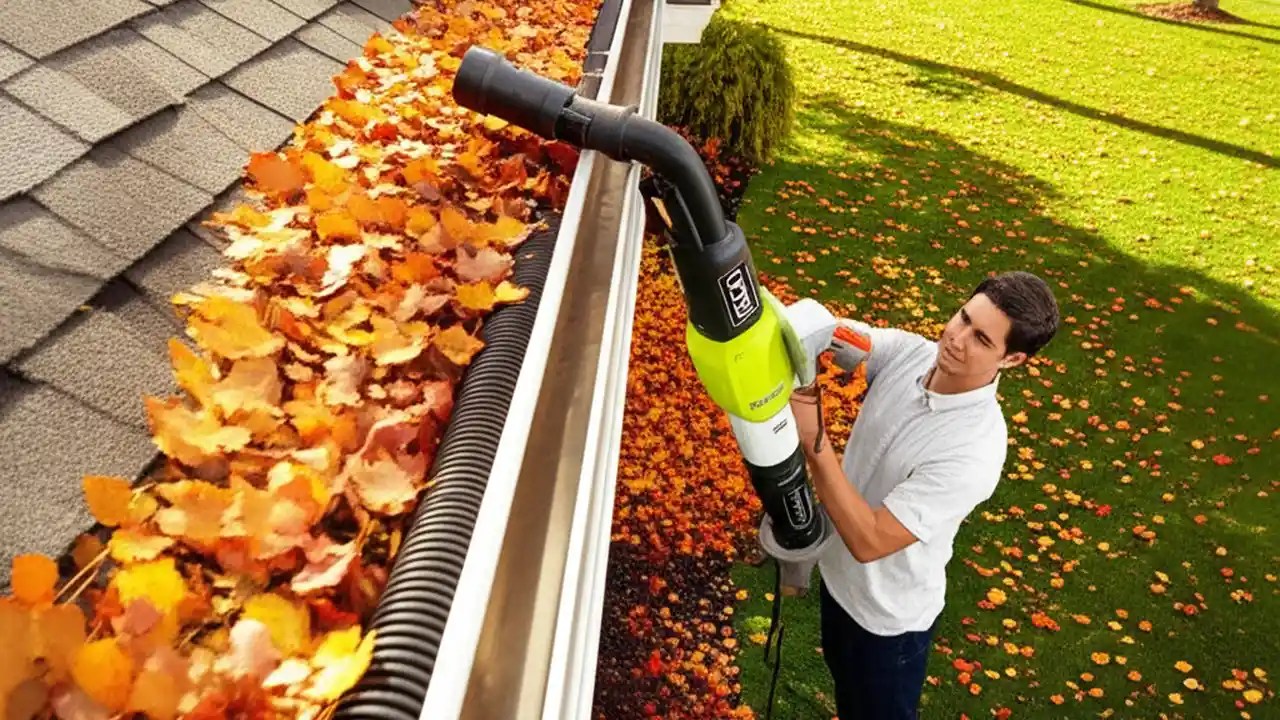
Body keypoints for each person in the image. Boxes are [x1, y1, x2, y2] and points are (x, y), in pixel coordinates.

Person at [788, 271, 1060, 720]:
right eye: (962, 317)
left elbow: (871, 540)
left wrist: (816, 443)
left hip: (886, 626)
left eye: (981, 339)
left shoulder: (974, 449)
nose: (956, 338)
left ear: (1012, 360)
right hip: (838, 586)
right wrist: (800, 324)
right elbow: (838, 335)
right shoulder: (914, 354)